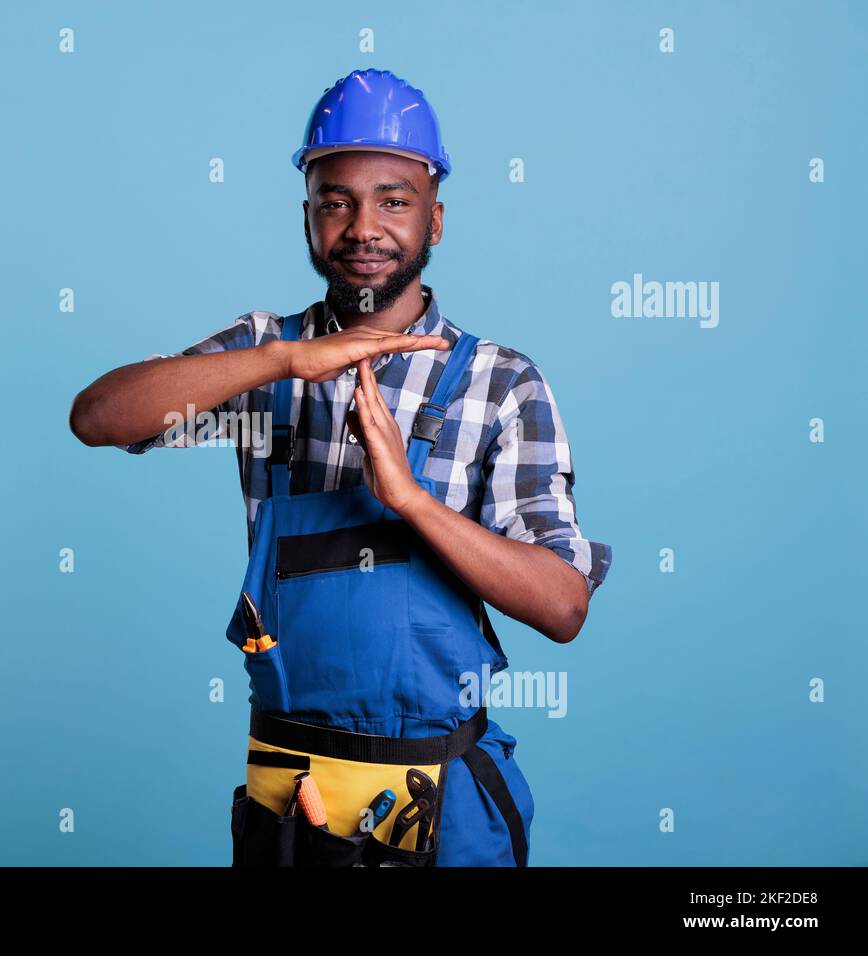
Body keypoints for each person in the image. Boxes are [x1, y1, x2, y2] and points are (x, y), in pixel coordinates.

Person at [69, 68, 613, 866]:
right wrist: (285, 358)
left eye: (393, 200)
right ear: (308, 217)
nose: (364, 226)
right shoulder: (260, 357)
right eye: (336, 200)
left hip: (442, 803)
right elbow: (99, 419)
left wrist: (414, 503)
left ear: (436, 217)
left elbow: (564, 607)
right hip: (293, 803)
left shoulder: (503, 383)